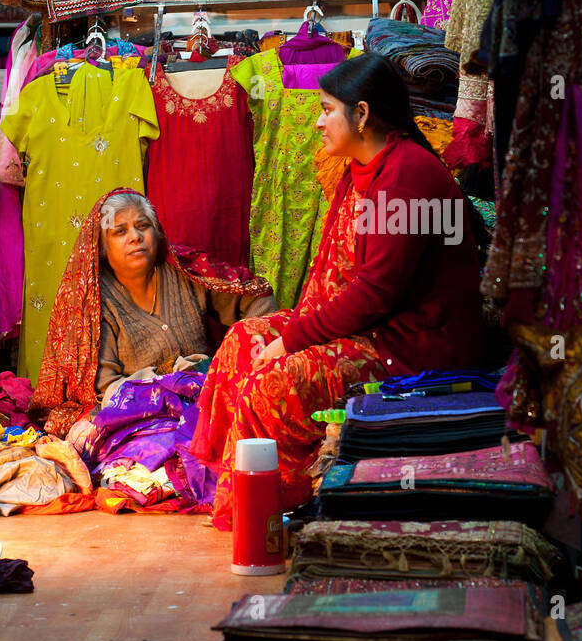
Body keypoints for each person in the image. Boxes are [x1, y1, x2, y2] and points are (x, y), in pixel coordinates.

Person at [192, 54, 486, 528]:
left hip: (410, 347)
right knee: (241, 341)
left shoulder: (408, 174)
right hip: (376, 328)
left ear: (363, 114)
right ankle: (239, 498)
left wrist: (292, 340)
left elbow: (376, 294)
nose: (318, 121)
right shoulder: (365, 166)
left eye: (328, 109)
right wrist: (289, 333)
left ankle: (269, 510)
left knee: (277, 381)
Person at [31, 189, 276, 437]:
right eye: (120, 231)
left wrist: (255, 341)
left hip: (213, 397)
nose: (135, 237)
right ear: (102, 247)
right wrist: (173, 385)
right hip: (145, 418)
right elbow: (106, 388)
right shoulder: (94, 305)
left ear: (157, 234)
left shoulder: (183, 271)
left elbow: (254, 296)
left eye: (143, 226)